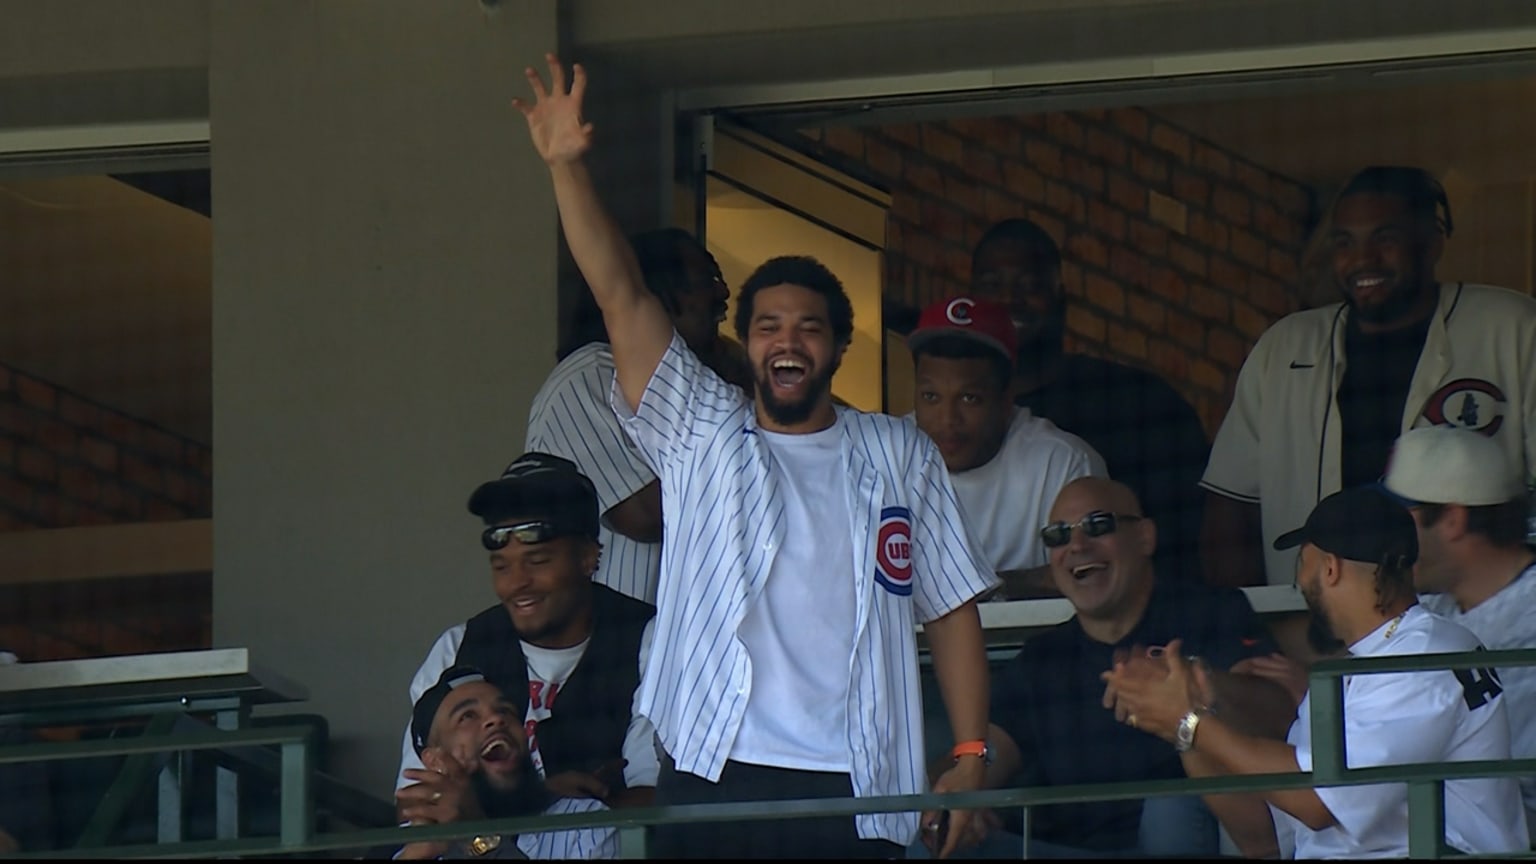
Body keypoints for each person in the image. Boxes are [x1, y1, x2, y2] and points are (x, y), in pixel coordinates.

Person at [514, 54, 998, 859]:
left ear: (840, 346)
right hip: (714, 770)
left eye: (808, 327)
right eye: (768, 325)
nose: (787, 341)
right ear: (749, 343)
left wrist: (971, 753)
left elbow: (950, 607)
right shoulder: (702, 427)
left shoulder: (897, 451)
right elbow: (621, 294)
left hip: (859, 780)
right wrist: (566, 168)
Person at [1108, 486, 1529, 858]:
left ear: (1330, 567)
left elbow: (1320, 800)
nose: (1300, 580)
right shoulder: (1362, 667)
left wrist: (1190, 721)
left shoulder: (1423, 654)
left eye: (1302, 561)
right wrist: (1184, 722)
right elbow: (1262, 839)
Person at [1202, 165, 1536, 590]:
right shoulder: (1286, 348)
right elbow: (1230, 508)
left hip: (1474, 618)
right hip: (1311, 622)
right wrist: (1248, 631)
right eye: (1345, 242)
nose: (1362, 259)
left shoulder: (1512, 328)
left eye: (1385, 238)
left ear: (1432, 242)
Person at [944, 477, 1288, 858]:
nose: (1076, 545)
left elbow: (1282, 712)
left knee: (1169, 810)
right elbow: (985, 753)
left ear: (1144, 537)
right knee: (942, 835)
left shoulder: (1211, 612)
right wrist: (958, 792)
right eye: (1057, 535)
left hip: (1179, 844)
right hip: (1068, 850)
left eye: (1098, 526)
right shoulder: (1042, 659)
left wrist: (1190, 682)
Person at [396, 453, 658, 810]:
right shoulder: (458, 648)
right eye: (501, 566)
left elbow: (659, 802)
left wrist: (484, 807)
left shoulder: (648, 640)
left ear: (588, 557)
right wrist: (544, 797)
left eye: (537, 562)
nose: (517, 584)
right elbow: (420, 807)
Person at [968, 219, 1210, 586]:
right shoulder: (946, 429)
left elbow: (1183, 546)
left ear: (1061, 298)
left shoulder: (1142, 405)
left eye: (1029, 286)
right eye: (991, 287)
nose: (1008, 299)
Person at [532, 228, 746, 604]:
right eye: (706, 280)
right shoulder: (588, 378)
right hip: (610, 649)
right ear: (653, 293)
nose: (722, 294)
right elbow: (644, 514)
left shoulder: (700, 386)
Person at [1382, 425, 1536, 841]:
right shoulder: (1432, 605)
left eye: (1400, 518)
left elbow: (1510, 775)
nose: (1386, 535)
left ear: (1452, 519)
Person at [907, 296, 1106, 599]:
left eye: (969, 398)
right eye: (931, 396)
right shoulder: (887, 453)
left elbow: (1094, 569)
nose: (947, 420)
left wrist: (988, 589)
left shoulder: (1061, 462)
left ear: (1006, 398)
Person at [395, 665, 618, 859]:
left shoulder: (584, 822)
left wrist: (475, 835)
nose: (496, 719)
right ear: (435, 761)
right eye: (467, 716)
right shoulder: (419, 847)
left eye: (505, 710)